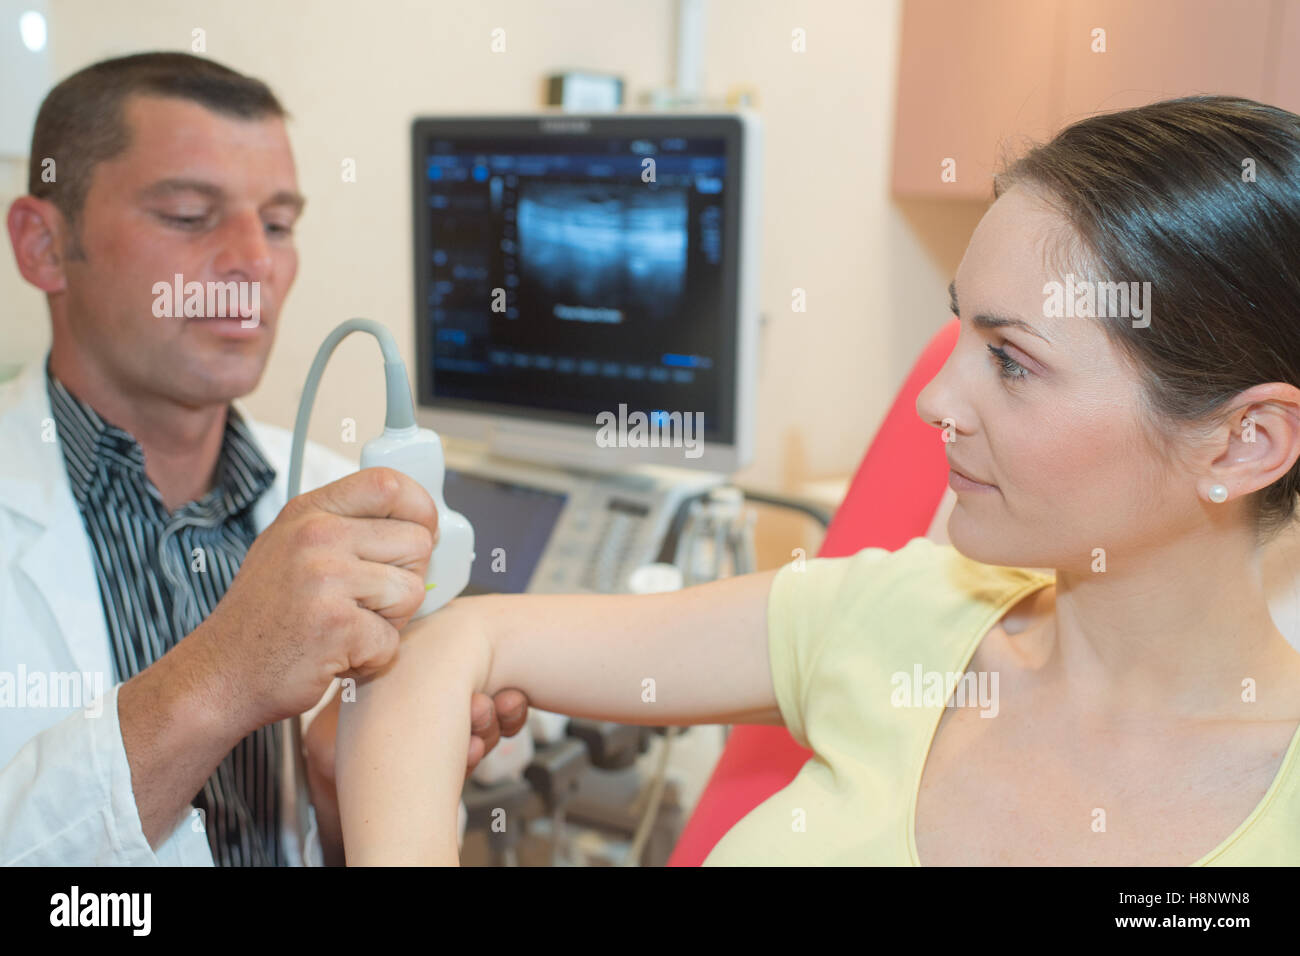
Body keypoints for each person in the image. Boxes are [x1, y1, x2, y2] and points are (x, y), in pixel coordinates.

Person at [321, 95, 1300, 865]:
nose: (935, 399)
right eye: (959, 329)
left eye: (1010, 360)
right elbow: (454, 642)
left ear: (1244, 443)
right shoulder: (898, 617)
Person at [0, 51, 529, 867]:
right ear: (43, 244)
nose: (254, 261)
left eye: (278, 225)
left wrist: (341, 794)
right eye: (188, 215)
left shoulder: (335, 497)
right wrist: (225, 677)